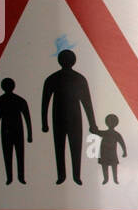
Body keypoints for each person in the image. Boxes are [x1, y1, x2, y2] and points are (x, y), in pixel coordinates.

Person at [41, 49, 97, 185]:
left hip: (72, 118)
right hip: (60, 117)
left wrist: (92, 123)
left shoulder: (78, 79)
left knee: (73, 147)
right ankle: (63, 176)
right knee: (61, 147)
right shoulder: (54, 79)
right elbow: (45, 102)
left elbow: (87, 102)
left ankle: (75, 176)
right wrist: (44, 123)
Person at [0, 77, 32, 184]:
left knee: (18, 154)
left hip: (16, 130)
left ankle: (19, 177)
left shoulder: (18, 100)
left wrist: (29, 134)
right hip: (7, 130)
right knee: (8, 154)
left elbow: (27, 118)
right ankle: (10, 178)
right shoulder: (0, 101)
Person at [96, 114, 126, 184]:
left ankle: (115, 179)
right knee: (104, 166)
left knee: (114, 166)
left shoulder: (116, 134)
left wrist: (124, 151)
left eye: (112, 121)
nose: (111, 123)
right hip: (104, 153)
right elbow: (97, 132)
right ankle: (106, 179)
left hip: (112, 153)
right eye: (109, 121)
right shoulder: (105, 133)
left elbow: (122, 143)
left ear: (115, 123)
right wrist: (94, 128)